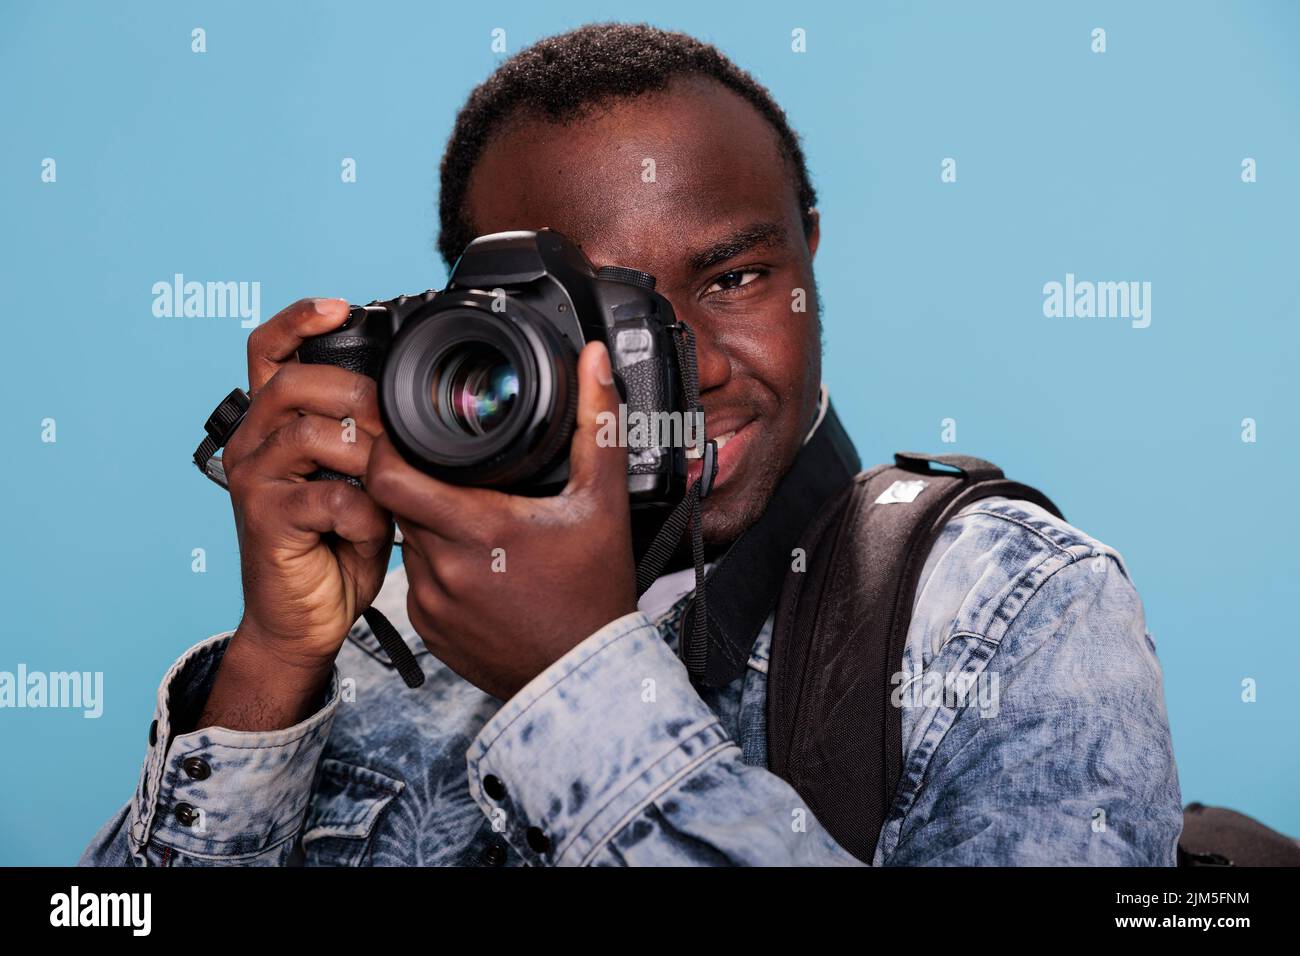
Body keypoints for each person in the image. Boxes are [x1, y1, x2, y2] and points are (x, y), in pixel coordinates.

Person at [80, 23, 1182, 867]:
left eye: (735, 278)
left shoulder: (1006, 611)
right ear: (478, 323)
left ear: (810, 256)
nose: (695, 369)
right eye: (605, 319)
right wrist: (275, 663)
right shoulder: (389, 626)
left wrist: (575, 679)